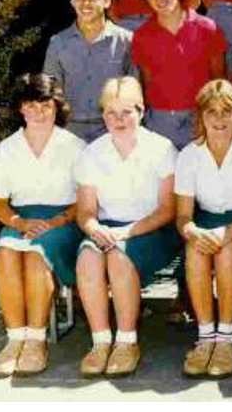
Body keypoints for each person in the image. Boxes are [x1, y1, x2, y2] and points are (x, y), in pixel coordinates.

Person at [0, 73, 86, 377]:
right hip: (22, 219)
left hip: (64, 221)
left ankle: (36, 341)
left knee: (37, 256)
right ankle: (15, 341)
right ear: (21, 109)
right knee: (5, 253)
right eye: (31, 105)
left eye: (46, 106)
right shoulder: (6, 149)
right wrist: (19, 221)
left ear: (57, 108)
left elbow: (85, 201)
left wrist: (57, 220)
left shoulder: (75, 147)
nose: (39, 113)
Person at [74, 76, 179, 378]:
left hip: (152, 231)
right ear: (102, 115)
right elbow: (86, 211)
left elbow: (167, 210)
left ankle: (127, 342)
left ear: (141, 111)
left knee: (119, 258)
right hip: (106, 229)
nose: (118, 120)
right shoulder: (92, 153)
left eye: (126, 112)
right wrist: (93, 228)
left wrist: (127, 232)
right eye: (111, 113)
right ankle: (100, 341)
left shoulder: (162, 149)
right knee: (88, 257)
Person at [174, 80, 232, 379]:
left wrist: (228, 233)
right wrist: (192, 232)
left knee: (226, 253)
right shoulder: (188, 154)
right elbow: (183, 216)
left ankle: (226, 340)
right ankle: (205, 338)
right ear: (200, 116)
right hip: (204, 224)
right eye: (211, 111)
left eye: (227, 111)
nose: (219, 119)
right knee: (194, 251)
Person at [130, 0, 228, 150]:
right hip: (160, 120)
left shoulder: (207, 27)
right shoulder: (142, 35)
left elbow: (218, 79)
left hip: (200, 117)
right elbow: (147, 83)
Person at [43, 0, 136, 143]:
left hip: (113, 132)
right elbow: (50, 96)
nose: (86, 3)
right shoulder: (58, 43)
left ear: (107, 1)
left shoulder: (126, 41)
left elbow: (134, 95)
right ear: (72, 0)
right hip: (69, 134)